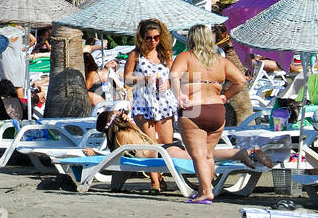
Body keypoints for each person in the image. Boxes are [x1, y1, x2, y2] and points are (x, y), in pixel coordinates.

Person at [169, 24, 250, 203]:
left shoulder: (186, 57)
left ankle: (206, 191)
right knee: (208, 155)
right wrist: (225, 96)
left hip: (194, 108)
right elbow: (241, 81)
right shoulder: (221, 61)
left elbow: (174, 76)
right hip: (216, 110)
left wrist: (179, 95)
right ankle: (204, 188)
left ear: (191, 38)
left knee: (197, 154)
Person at [92, 107, 271, 175]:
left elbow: (123, 158)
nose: (127, 116)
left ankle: (242, 153)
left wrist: (96, 154)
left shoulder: (123, 136)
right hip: (165, 151)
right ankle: (243, 152)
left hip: (164, 154)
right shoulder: (128, 133)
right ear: (117, 121)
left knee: (203, 156)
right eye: (123, 114)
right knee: (204, 155)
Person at [124, 18, 179, 192]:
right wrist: (144, 79)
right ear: (142, 38)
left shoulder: (165, 54)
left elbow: (173, 76)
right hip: (143, 102)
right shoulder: (135, 55)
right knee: (150, 143)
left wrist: (168, 84)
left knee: (167, 143)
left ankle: (165, 175)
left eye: (156, 37)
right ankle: (155, 180)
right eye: (149, 38)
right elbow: (127, 79)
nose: (153, 41)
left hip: (164, 102)